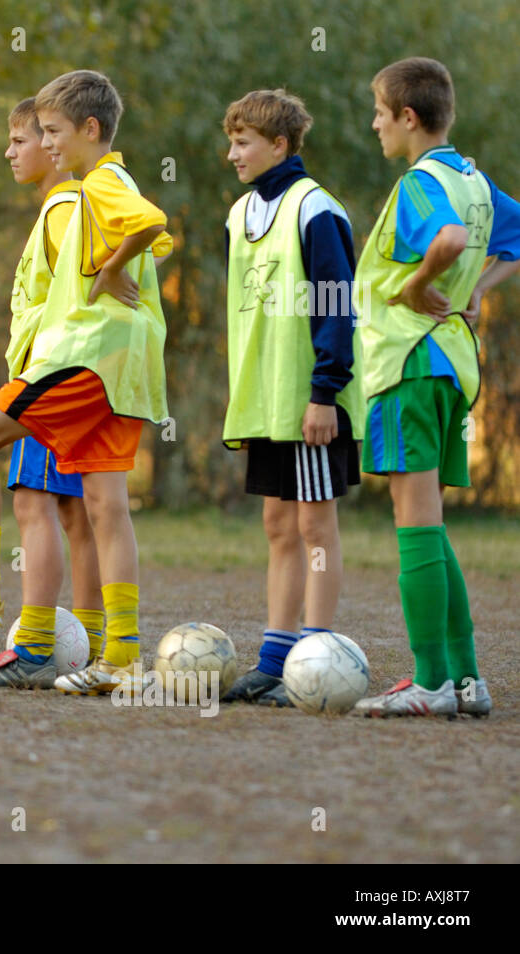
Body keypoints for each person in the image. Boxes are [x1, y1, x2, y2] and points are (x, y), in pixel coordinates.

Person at [0, 70, 172, 693]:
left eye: (51, 132)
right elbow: (158, 240)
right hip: (127, 370)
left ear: (90, 130)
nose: (44, 143)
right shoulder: (100, 187)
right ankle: (121, 657)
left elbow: (151, 220)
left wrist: (108, 270)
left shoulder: (99, 183)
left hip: (83, 359)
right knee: (106, 508)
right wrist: (114, 266)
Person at [350, 58, 520, 718]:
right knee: (431, 523)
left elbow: (447, 240)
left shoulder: (424, 181)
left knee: (413, 525)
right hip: (451, 368)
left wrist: (419, 287)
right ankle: (467, 681)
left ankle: (429, 684)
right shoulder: (472, 179)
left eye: (380, 113)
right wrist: (477, 288)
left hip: (409, 366)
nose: (374, 124)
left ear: (408, 118)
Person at [218, 89, 364, 707]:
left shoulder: (316, 209)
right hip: (264, 401)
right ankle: (275, 659)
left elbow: (337, 302)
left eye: (244, 142)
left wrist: (324, 392)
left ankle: (317, 654)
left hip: (307, 399)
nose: (232, 154)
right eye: (231, 142)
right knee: (278, 523)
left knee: (314, 524)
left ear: (280, 145)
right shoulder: (238, 213)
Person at [3, 97, 105, 662]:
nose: (11, 152)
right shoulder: (64, 206)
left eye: (22, 141)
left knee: (32, 502)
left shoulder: (65, 206)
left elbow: (88, 280)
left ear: (52, 145)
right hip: (69, 372)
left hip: (53, 376)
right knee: (74, 509)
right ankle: (91, 638)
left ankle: (37, 646)